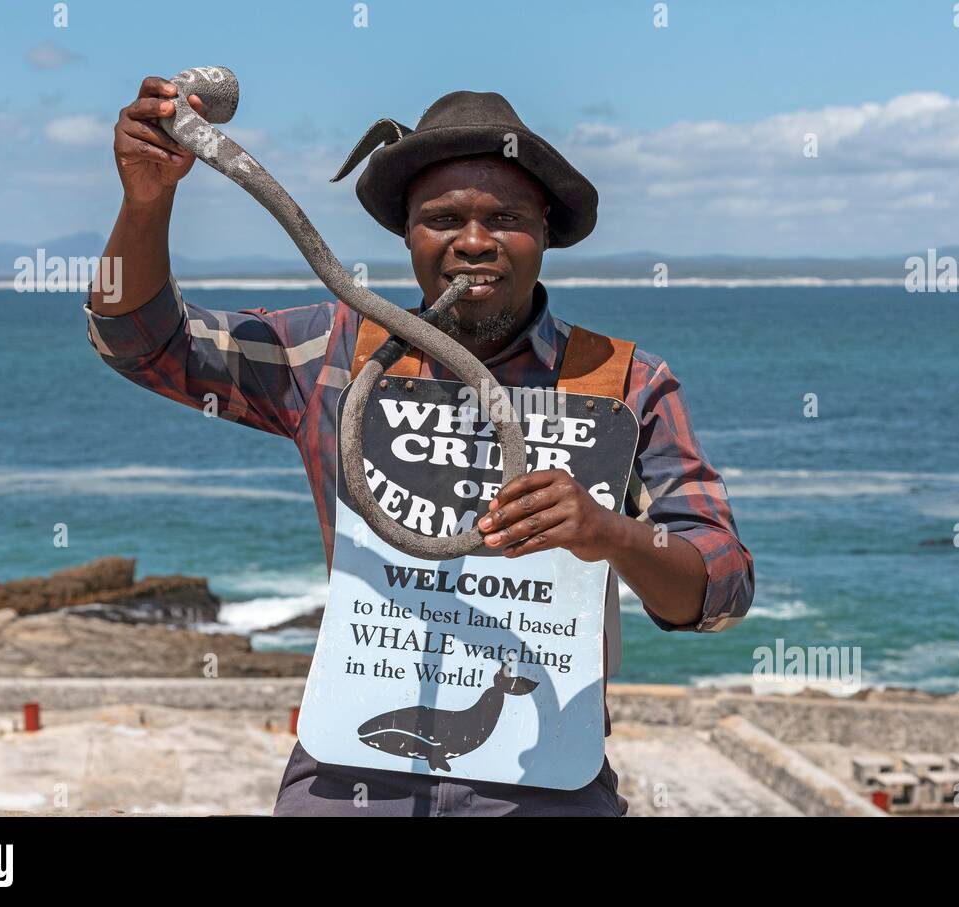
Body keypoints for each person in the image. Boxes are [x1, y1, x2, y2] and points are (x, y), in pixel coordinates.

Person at [85, 77, 754, 816]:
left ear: (544, 234)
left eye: (506, 217)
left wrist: (611, 534)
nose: (474, 241)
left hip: (546, 790)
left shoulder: (621, 383)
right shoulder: (335, 350)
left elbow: (719, 589)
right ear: (409, 236)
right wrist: (146, 204)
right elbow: (141, 341)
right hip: (347, 782)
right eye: (443, 219)